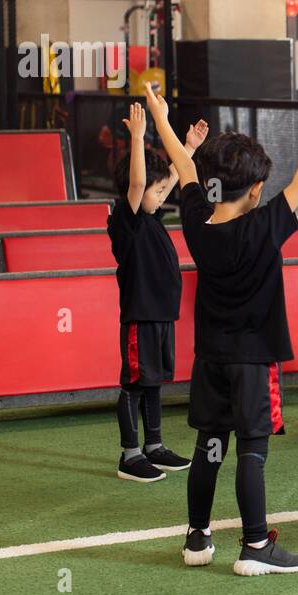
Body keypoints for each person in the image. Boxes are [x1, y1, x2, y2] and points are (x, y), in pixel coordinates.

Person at [145, 84, 298, 576]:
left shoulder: (197, 221)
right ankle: (256, 546)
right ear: (257, 190)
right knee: (252, 452)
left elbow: (184, 164)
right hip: (253, 360)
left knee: (209, 448)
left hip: (210, 360)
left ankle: (198, 538)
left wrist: (161, 117)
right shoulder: (264, 227)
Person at [108, 103, 207, 482]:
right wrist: (137, 137)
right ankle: (129, 455)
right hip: (141, 316)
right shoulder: (126, 219)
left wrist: (189, 147)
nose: (163, 192)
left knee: (153, 382)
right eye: (157, 188)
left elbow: (163, 179)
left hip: (162, 316)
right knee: (134, 384)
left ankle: (154, 446)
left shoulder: (151, 215)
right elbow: (138, 184)